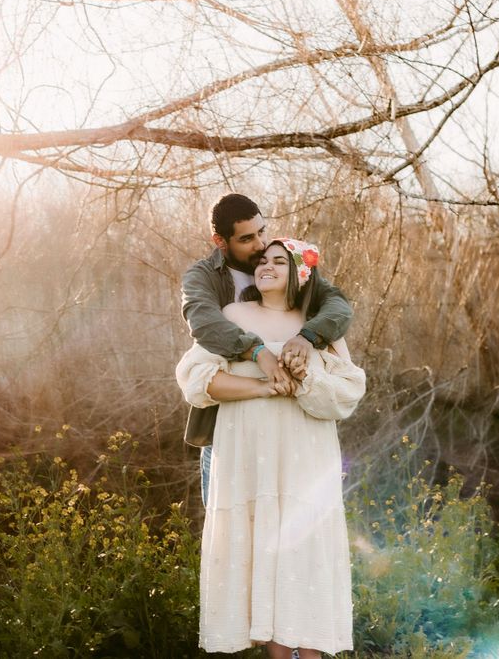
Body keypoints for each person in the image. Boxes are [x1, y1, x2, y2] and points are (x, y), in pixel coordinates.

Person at [176, 238, 366, 656]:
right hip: (249, 459)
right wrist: (265, 386)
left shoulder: (318, 325)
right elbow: (197, 382)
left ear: (300, 273)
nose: (267, 265)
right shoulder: (232, 317)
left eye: (280, 261)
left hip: (305, 459)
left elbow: (347, 394)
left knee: (304, 561)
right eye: (263, 260)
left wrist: (304, 378)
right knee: (261, 557)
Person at [180, 193, 353, 502]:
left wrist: (306, 337)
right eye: (247, 238)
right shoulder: (204, 277)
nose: (260, 244)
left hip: (292, 429)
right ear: (220, 241)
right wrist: (258, 352)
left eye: (262, 231)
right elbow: (205, 323)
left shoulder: (284, 260)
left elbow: (337, 305)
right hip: (230, 425)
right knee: (233, 516)